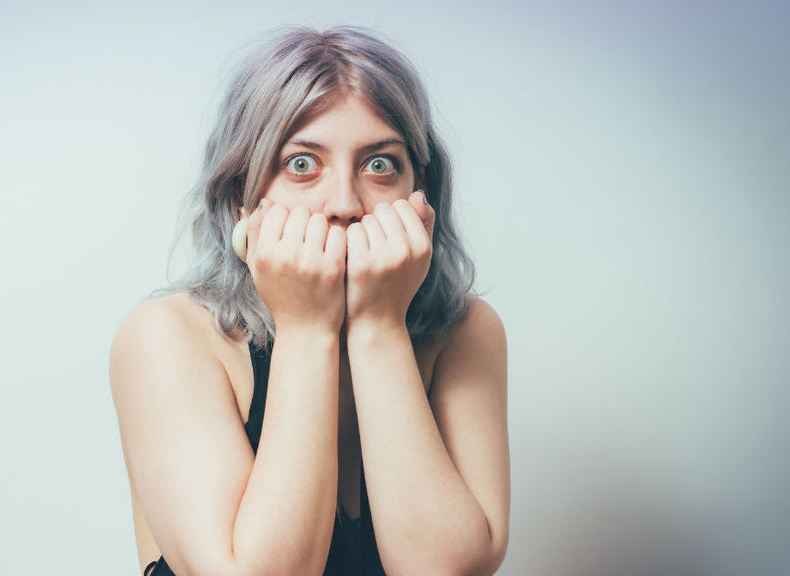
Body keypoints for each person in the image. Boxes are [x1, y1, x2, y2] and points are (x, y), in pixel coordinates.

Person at [110, 26, 509, 576]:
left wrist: (377, 325)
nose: (344, 204)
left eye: (379, 164)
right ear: (241, 198)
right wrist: (307, 329)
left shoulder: (466, 330)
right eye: (301, 164)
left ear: (421, 194)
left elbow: (442, 570)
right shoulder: (166, 336)